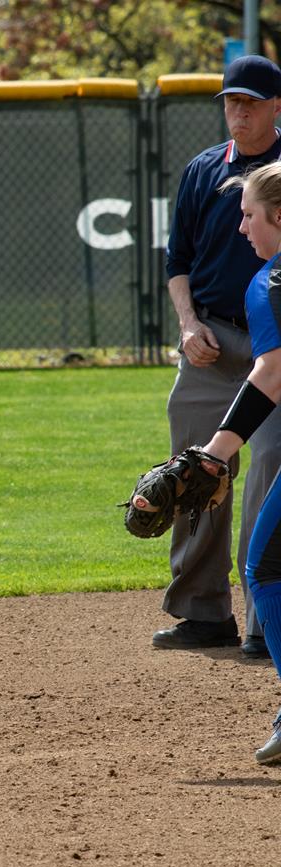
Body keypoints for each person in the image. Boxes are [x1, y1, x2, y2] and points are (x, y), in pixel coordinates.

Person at [158, 54, 281, 657]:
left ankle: (265, 619)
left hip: (274, 343)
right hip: (210, 340)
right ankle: (202, 611)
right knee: (194, 473)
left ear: (276, 106)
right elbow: (177, 261)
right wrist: (188, 327)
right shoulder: (203, 169)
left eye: (250, 103)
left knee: (270, 467)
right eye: (232, 102)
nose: (239, 112)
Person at [187, 160, 281, 763]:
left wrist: (215, 454)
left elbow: (272, 373)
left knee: (266, 568)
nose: (242, 227)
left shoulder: (271, 283)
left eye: (249, 215)